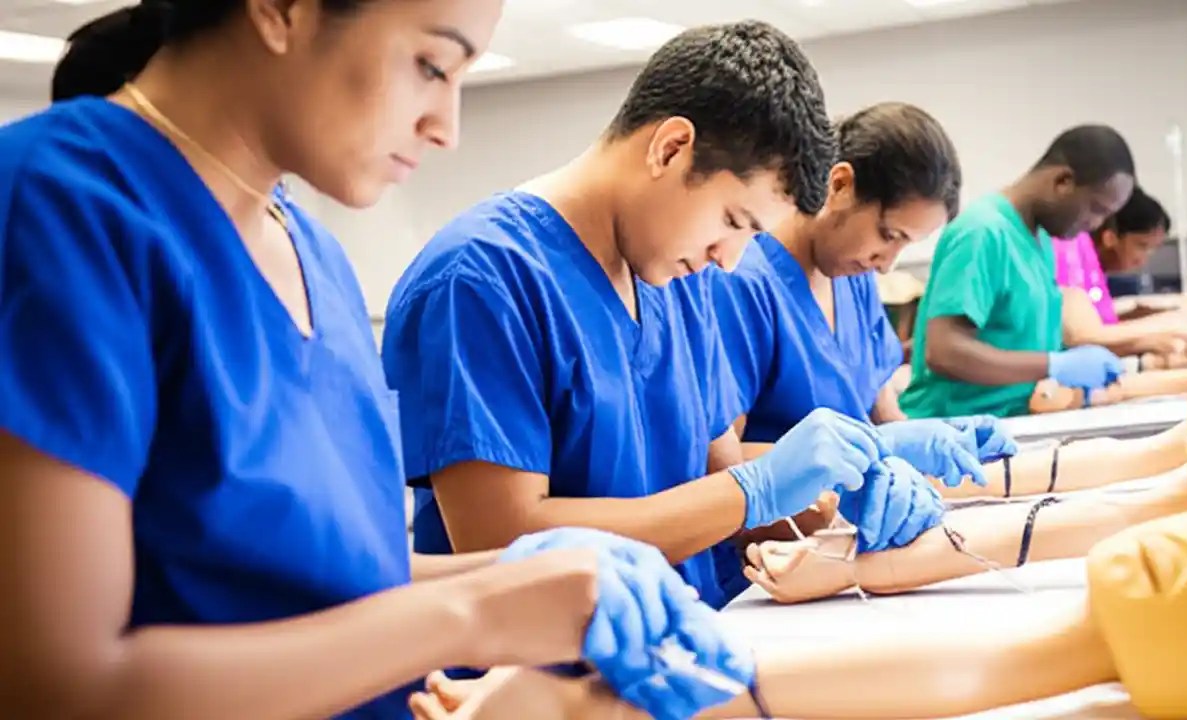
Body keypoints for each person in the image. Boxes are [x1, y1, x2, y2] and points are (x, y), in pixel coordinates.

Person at [0, 2, 751, 719]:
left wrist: (526, 577)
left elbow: (333, 583)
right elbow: (60, 689)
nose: (446, 127)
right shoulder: (60, 206)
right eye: (431, 64)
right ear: (282, 8)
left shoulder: (311, 252)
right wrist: (471, 611)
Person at [382, 21, 941, 615]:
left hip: (692, 634)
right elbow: (501, 538)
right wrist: (753, 491)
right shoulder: (482, 278)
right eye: (734, 221)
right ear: (670, 148)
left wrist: (835, 489)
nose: (729, 261)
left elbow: (720, 479)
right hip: (548, 675)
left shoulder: (679, 278)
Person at [710, 102, 1017, 491]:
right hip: (778, 531)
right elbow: (722, 465)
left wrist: (940, 442)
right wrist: (861, 451)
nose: (887, 264)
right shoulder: (742, 283)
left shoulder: (853, 274)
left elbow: (884, 413)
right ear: (839, 186)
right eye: (889, 235)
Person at [900, 125, 1134, 419]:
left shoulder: (1041, 240)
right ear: (1063, 181)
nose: (1097, 224)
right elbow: (944, 351)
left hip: (1010, 420)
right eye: (1096, 208)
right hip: (955, 427)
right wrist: (1055, 365)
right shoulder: (983, 232)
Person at [1057, 187, 1187, 360]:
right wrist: (1170, 324)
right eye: (1142, 246)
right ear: (1110, 238)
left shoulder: (1091, 263)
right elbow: (1083, 335)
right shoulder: (1069, 251)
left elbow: (1102, 321)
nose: (1143, 259)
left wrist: (1151, 318)